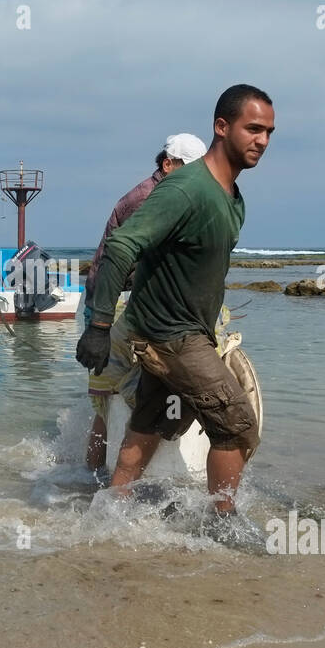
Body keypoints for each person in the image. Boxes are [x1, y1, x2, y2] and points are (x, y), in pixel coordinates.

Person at [75, 84, 275, 516]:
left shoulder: (232, 199)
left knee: (151, 423)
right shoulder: (185, 189)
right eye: (253, 128)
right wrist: (98, 326)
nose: (262, 140)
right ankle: (222, 525)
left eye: (269, 132)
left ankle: (109, 513)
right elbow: (121, 247)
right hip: (171, 336)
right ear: (222, 127)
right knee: (237, 427)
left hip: (188, 332)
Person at [83, 133, 207, 471]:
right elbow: (129, 260)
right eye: (189, 170)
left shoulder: (166, 195)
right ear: (168, 165)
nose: (198, 179)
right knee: (106, 402)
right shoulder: (150, 199)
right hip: (115, 303)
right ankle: (90, 477)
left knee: (108, 401)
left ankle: (91, 479)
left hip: (118, 300)